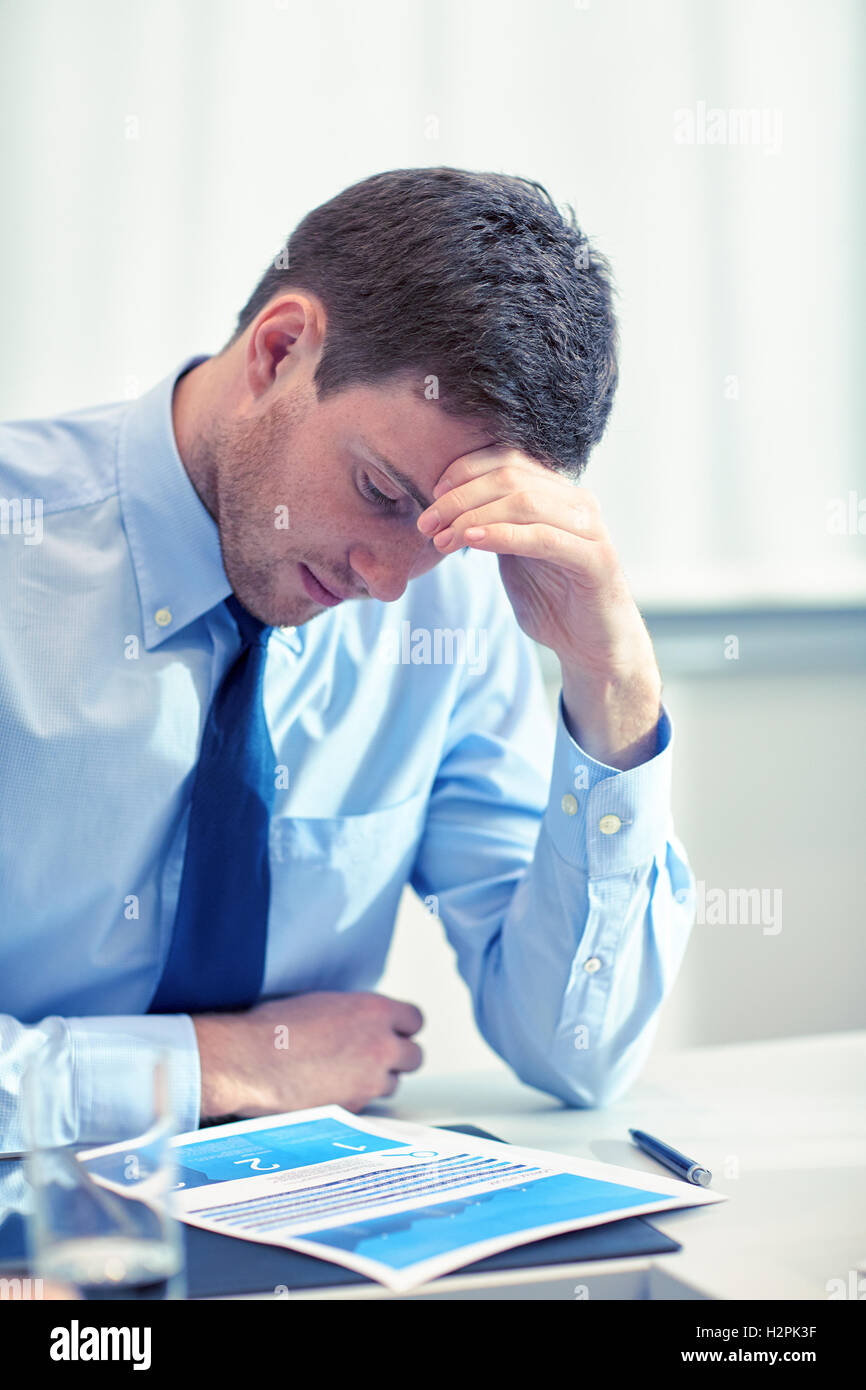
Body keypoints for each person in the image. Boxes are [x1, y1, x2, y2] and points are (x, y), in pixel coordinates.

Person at [0, 167, 695, 1153]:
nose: (387, 579)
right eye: (378, 488)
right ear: (281, 350)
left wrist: (610, 686)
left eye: (445, 532)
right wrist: (217, 1065)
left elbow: (575, 1052)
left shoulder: (441, 605)